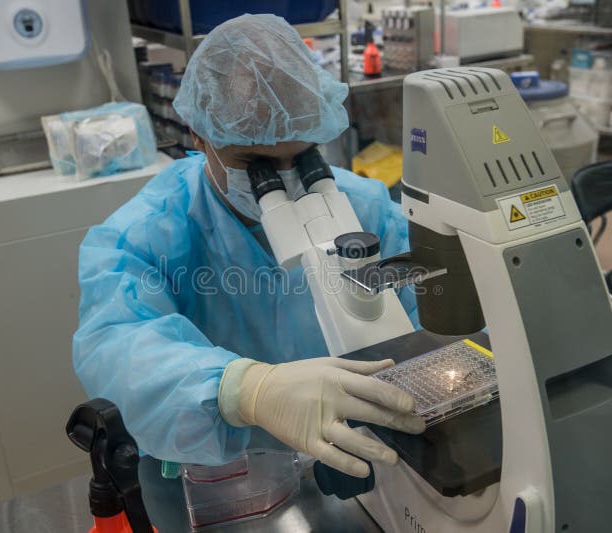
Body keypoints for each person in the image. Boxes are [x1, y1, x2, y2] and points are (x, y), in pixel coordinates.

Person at [73, 14, 423, 479]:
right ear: (198, 134)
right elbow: (118, 348)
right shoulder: (145, 235)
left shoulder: (364, 208)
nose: (280, 180)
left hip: (358, 460)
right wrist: (247, 389)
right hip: (218, 481)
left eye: (302, 158)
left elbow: (424, 328)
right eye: (254, 163)